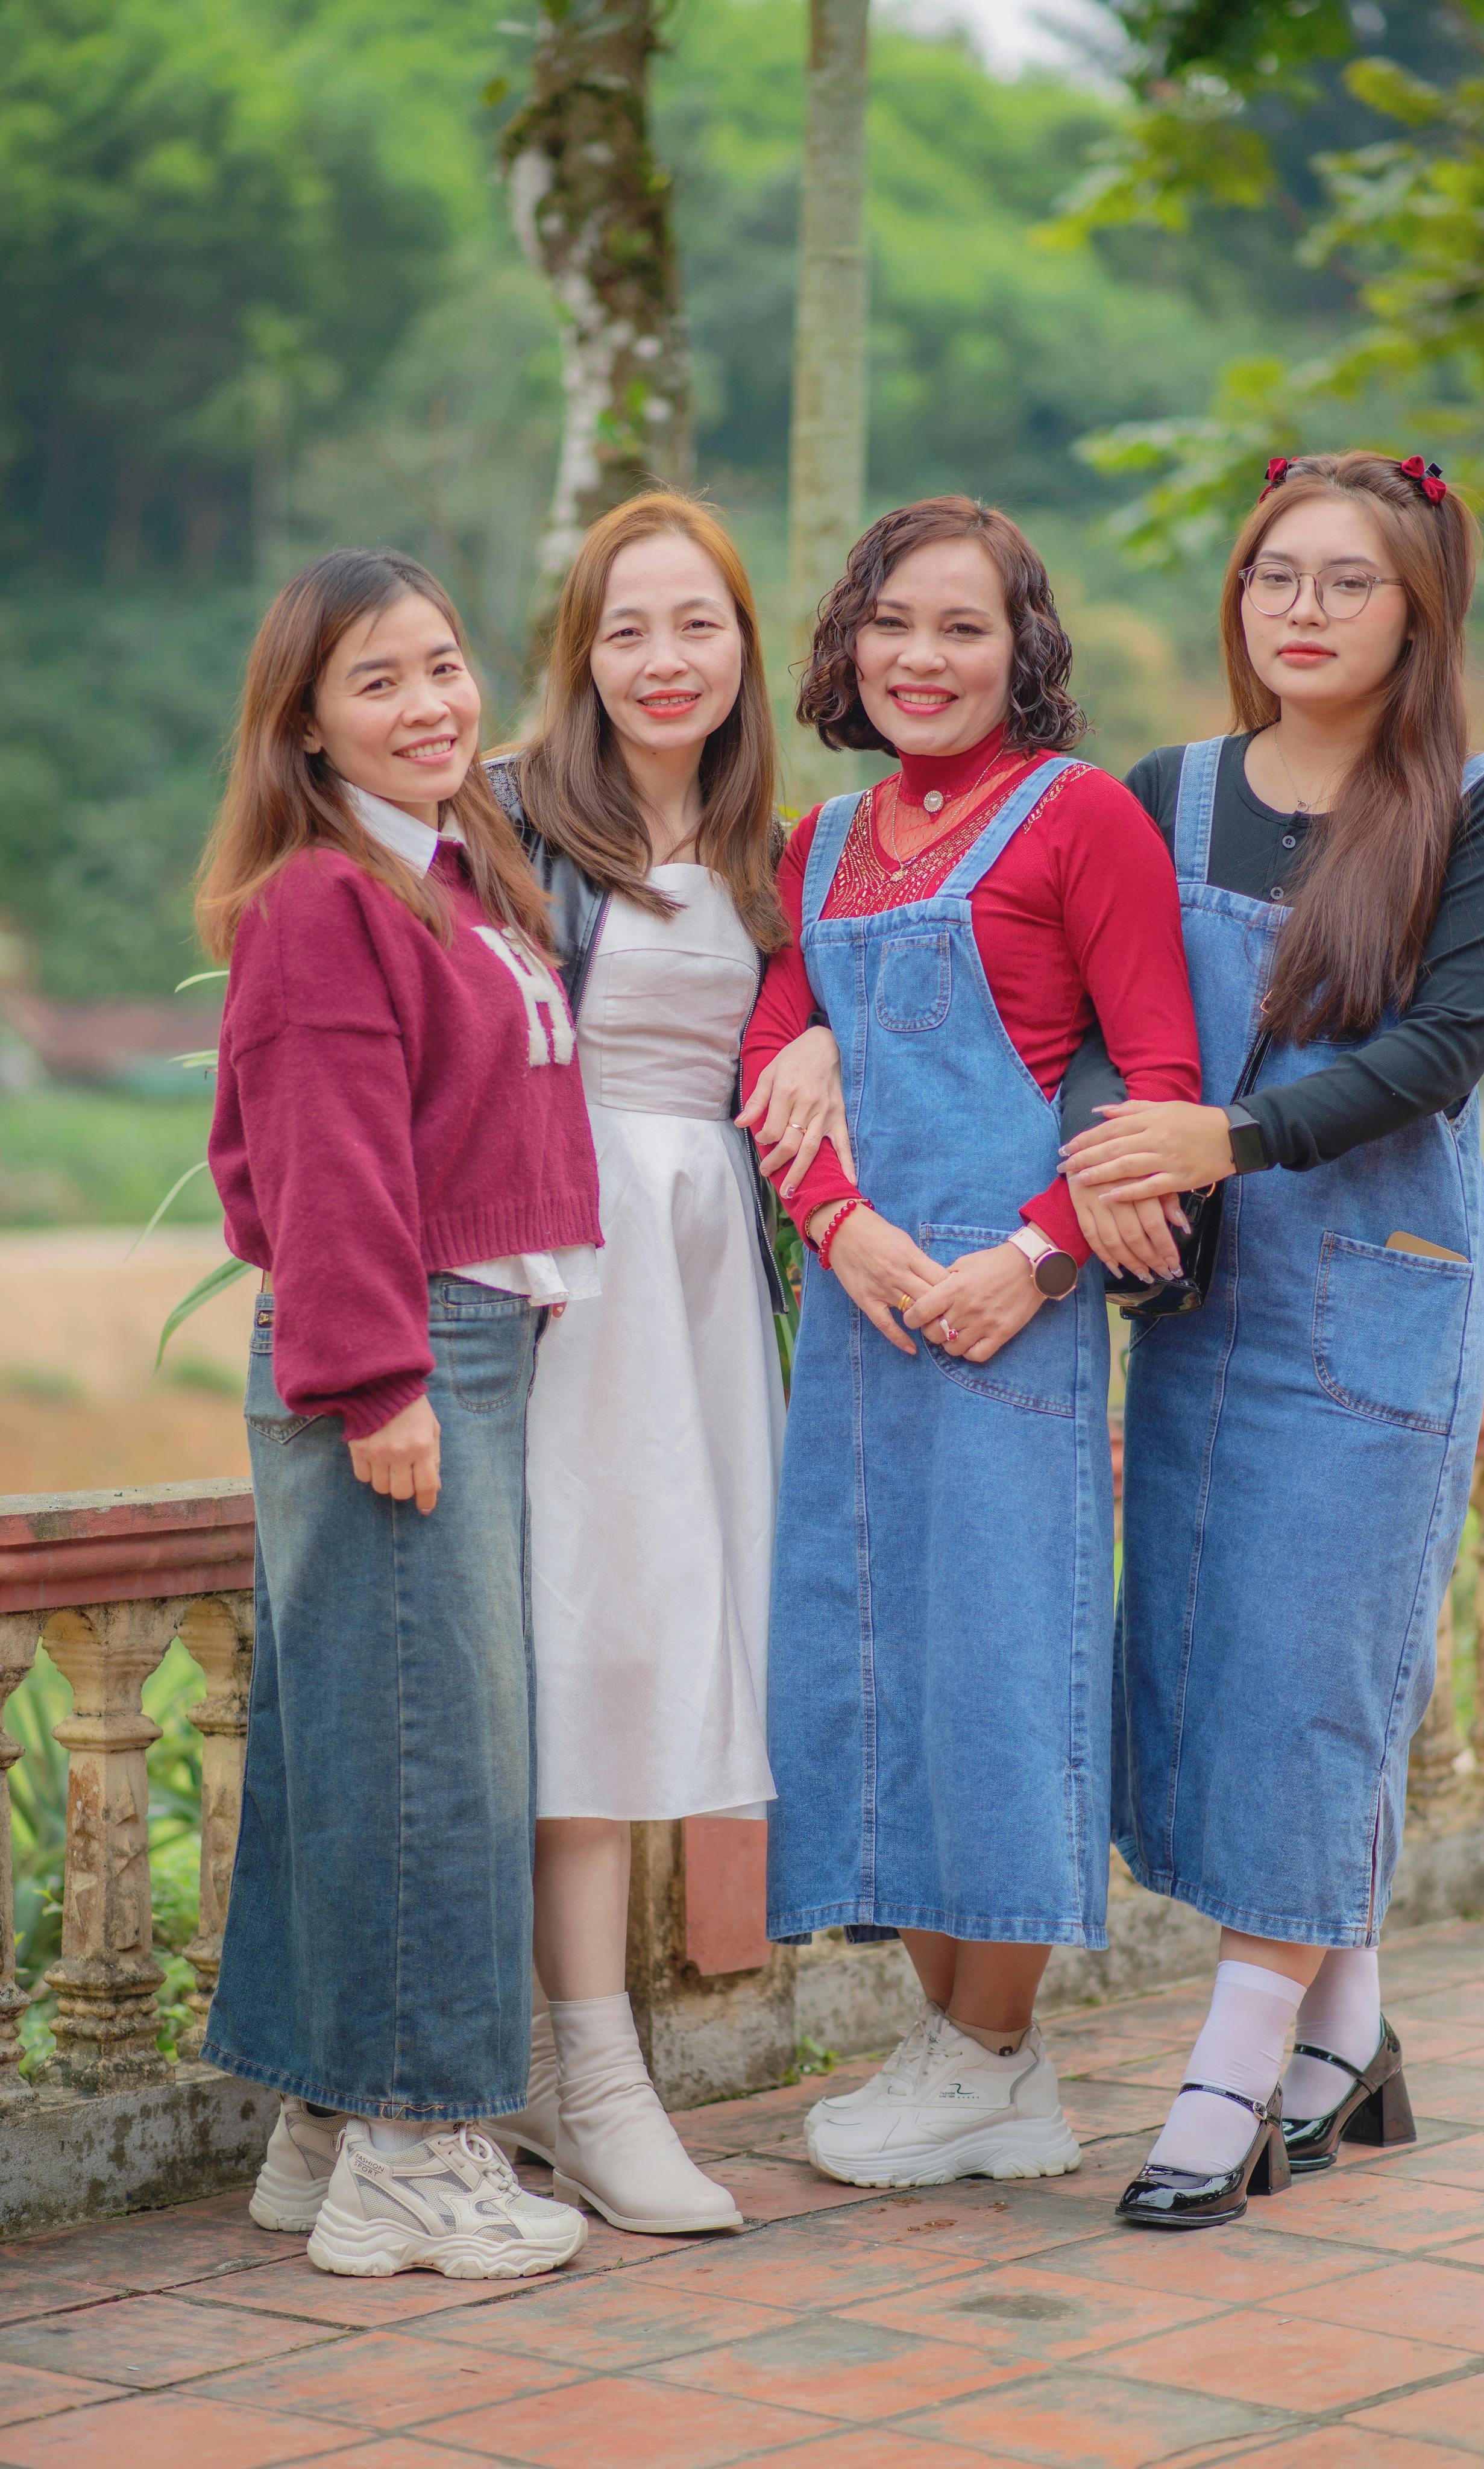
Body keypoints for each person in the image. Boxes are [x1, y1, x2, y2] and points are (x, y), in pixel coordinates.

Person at [1061, 451, 1484, 2228]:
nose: (1305, 611)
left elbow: (1440, 1053)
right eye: (1278, 575)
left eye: (1350, 582)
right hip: (1202, 1302)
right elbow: (1107, 1022)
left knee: (1309, 1678)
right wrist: (1117, 1157)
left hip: (1378, 1296)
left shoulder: (1483, 809)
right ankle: (1349, 2032)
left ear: (1419, 611)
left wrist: (1232, 1141)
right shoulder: (1165, 792)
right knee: (1205, 1663)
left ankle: (1236, 2073)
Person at [743, 496, 1201, 2191]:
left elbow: (1159, 1088)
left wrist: (1032, 1259)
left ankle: (989, 2046)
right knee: (882, 1669)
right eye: (893, 624)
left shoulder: (1079, 819)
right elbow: (775, 1050)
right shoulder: (817, 845)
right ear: (849, 645)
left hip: (1017, 1326)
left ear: (1024, 652)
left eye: (963, 627)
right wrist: (848, 1228)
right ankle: (974, 2066)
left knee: (1002, 1666)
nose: (923, 658)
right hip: (864, 1332)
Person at [197, 550, 596, 2280]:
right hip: (400, 1350)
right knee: (437, 1755)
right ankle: (416, 2154)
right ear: (304, 725)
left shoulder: (453, 871)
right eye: (380, 682)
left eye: (444, 665)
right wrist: (377, 1383)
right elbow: (327, 1161)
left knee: (353, 1741)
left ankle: (322, 2124)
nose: (433, 703)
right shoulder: (322, 900)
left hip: (457, 1337)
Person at [484, 492, 849, 2233]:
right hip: (568, 1271)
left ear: (743, 649)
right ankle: (589, 2075)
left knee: (668, 1652)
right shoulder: (500, 821)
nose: (661, 659)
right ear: (583, 652)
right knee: (583, 1650)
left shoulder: (786, 852)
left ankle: (593, 2069)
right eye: (626, 628)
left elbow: (822, 1032)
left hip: (710, 1287)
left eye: (695, 624)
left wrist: (832, 1060)